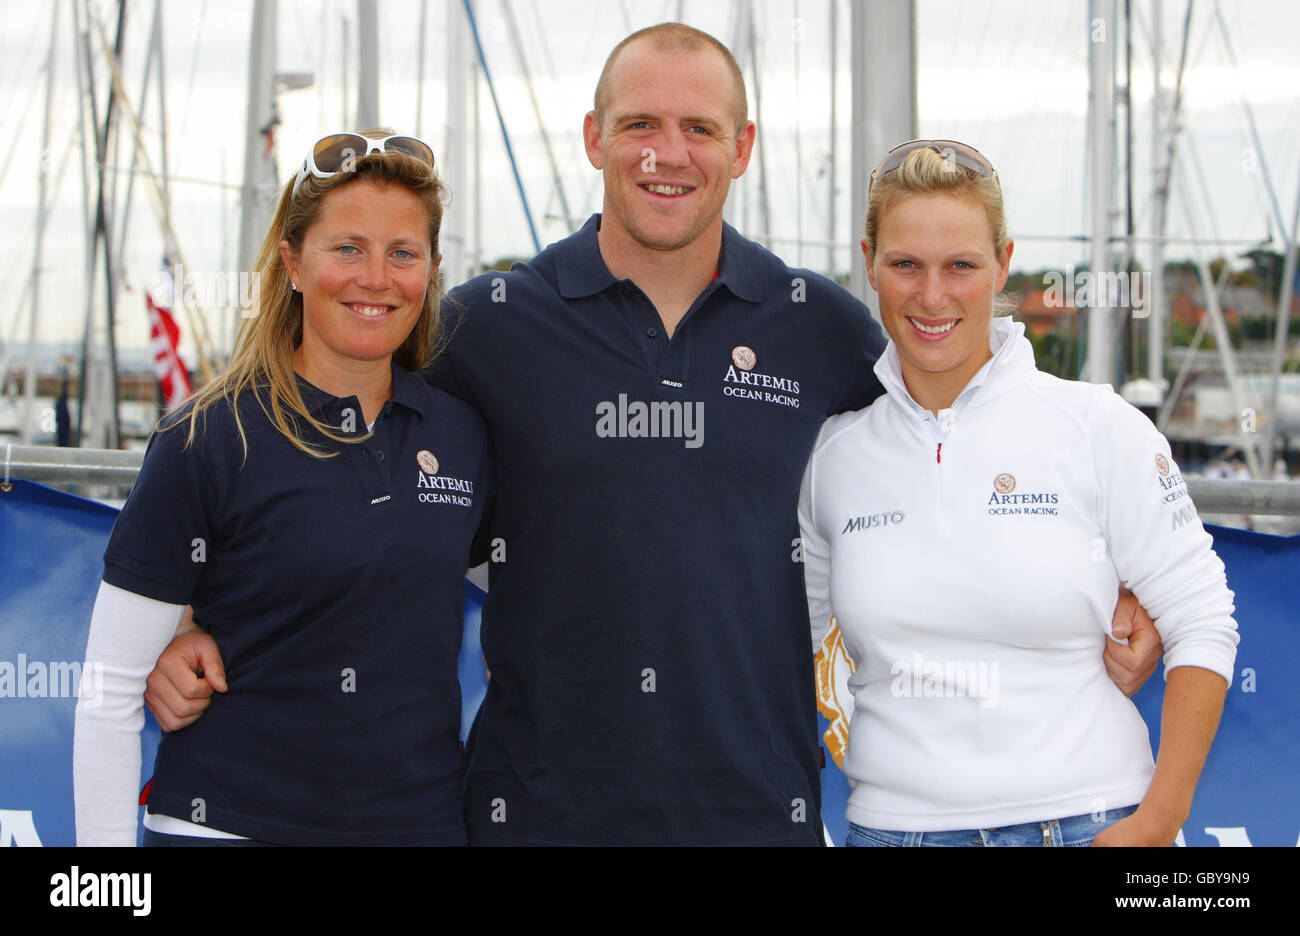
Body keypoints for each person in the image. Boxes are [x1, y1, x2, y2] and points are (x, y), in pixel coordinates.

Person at [141, 26, 1164, 845]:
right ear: (593, 138)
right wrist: (180, 608)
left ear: (742, 148)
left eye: (697, 128)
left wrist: (1124, 573)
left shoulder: (820, 324)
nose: (665, 154)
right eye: (638, 124)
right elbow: (318, 452)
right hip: (531, 810)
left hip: (757, 810)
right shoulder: (486, 324)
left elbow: (963, 425)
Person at [798, 140, 1239, 847]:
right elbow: (798, 643)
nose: (933, 296)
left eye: (962, 266)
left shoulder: (1098, 426)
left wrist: (1158, 820)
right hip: (891, 831)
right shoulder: (832, 459)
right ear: (870, 262)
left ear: (1003, 262)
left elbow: (1203, 621)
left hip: (1091, 823)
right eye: (906, 263)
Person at [73, 130, 490, 845]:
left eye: (403, 253)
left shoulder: (461, 435)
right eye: (348, 248)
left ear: (432, 268)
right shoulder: (209, 436)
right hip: (224, 825)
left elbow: (533, 605)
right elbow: (109, 693)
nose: (376, 277)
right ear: (293, 263)